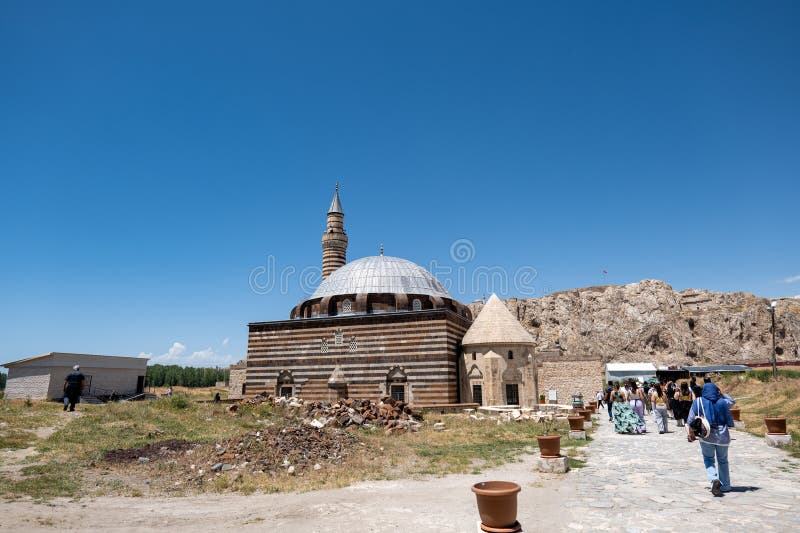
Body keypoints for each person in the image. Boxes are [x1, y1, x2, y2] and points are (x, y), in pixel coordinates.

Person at [687, 382, 735, 496]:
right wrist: (721, 394)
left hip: (706, 436)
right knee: (723, 461)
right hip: (723, 436)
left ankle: (714, 479)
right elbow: (732, 401)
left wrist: (691, 434)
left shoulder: (698, 402)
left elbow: (690, 420)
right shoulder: (723, 402)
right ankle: (726, 485)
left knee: (708, 459)